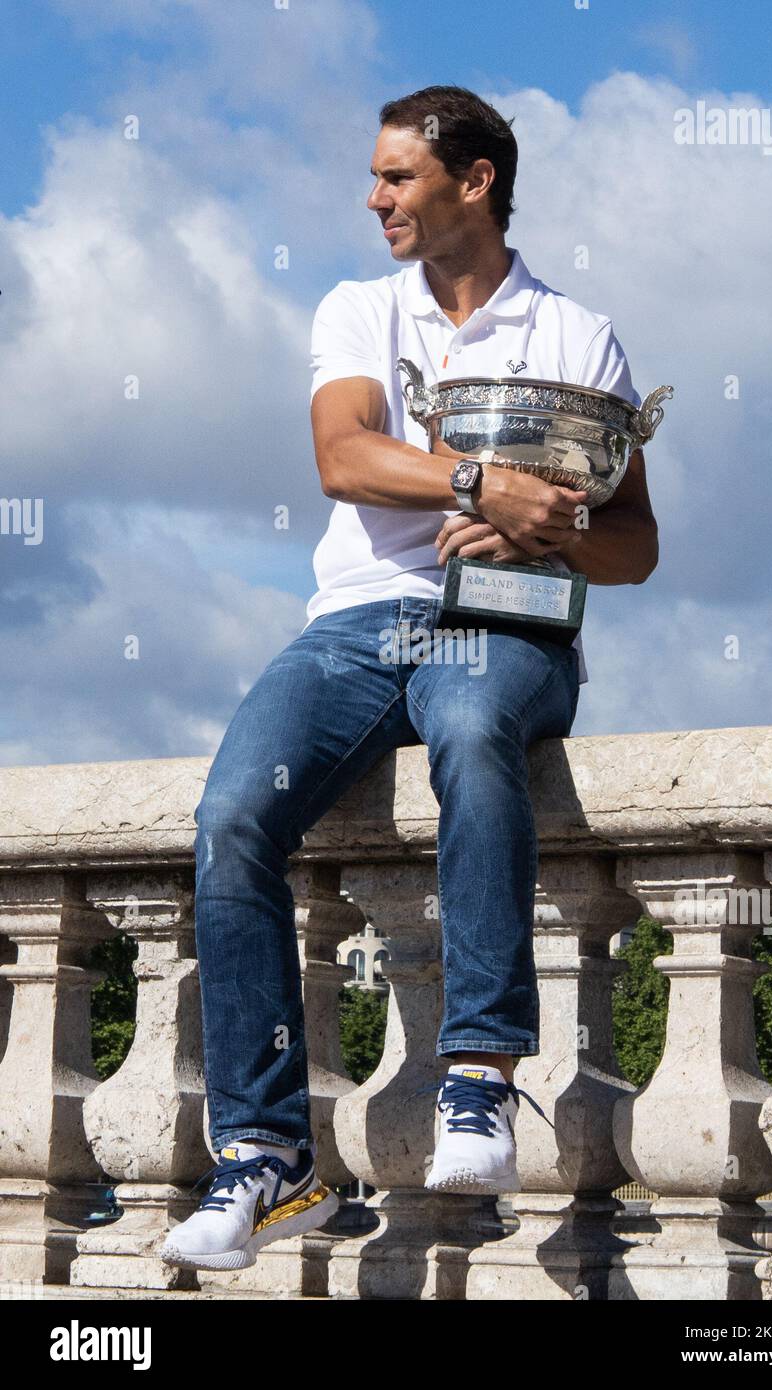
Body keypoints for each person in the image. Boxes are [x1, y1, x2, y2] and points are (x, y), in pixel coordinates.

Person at [161, 85, 658, 1272]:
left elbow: (631, 546)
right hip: (355, 623)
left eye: (395, 176)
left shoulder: (575, 334)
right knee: (232, 813)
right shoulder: (355, 308)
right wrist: (489, 486)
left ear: (472, 182)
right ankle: (268, 1155)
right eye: (376, 176)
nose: (373, 196)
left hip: (505, 623)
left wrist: (551, 526)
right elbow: (341, 456)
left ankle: (477, 1073)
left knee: (476, 731)